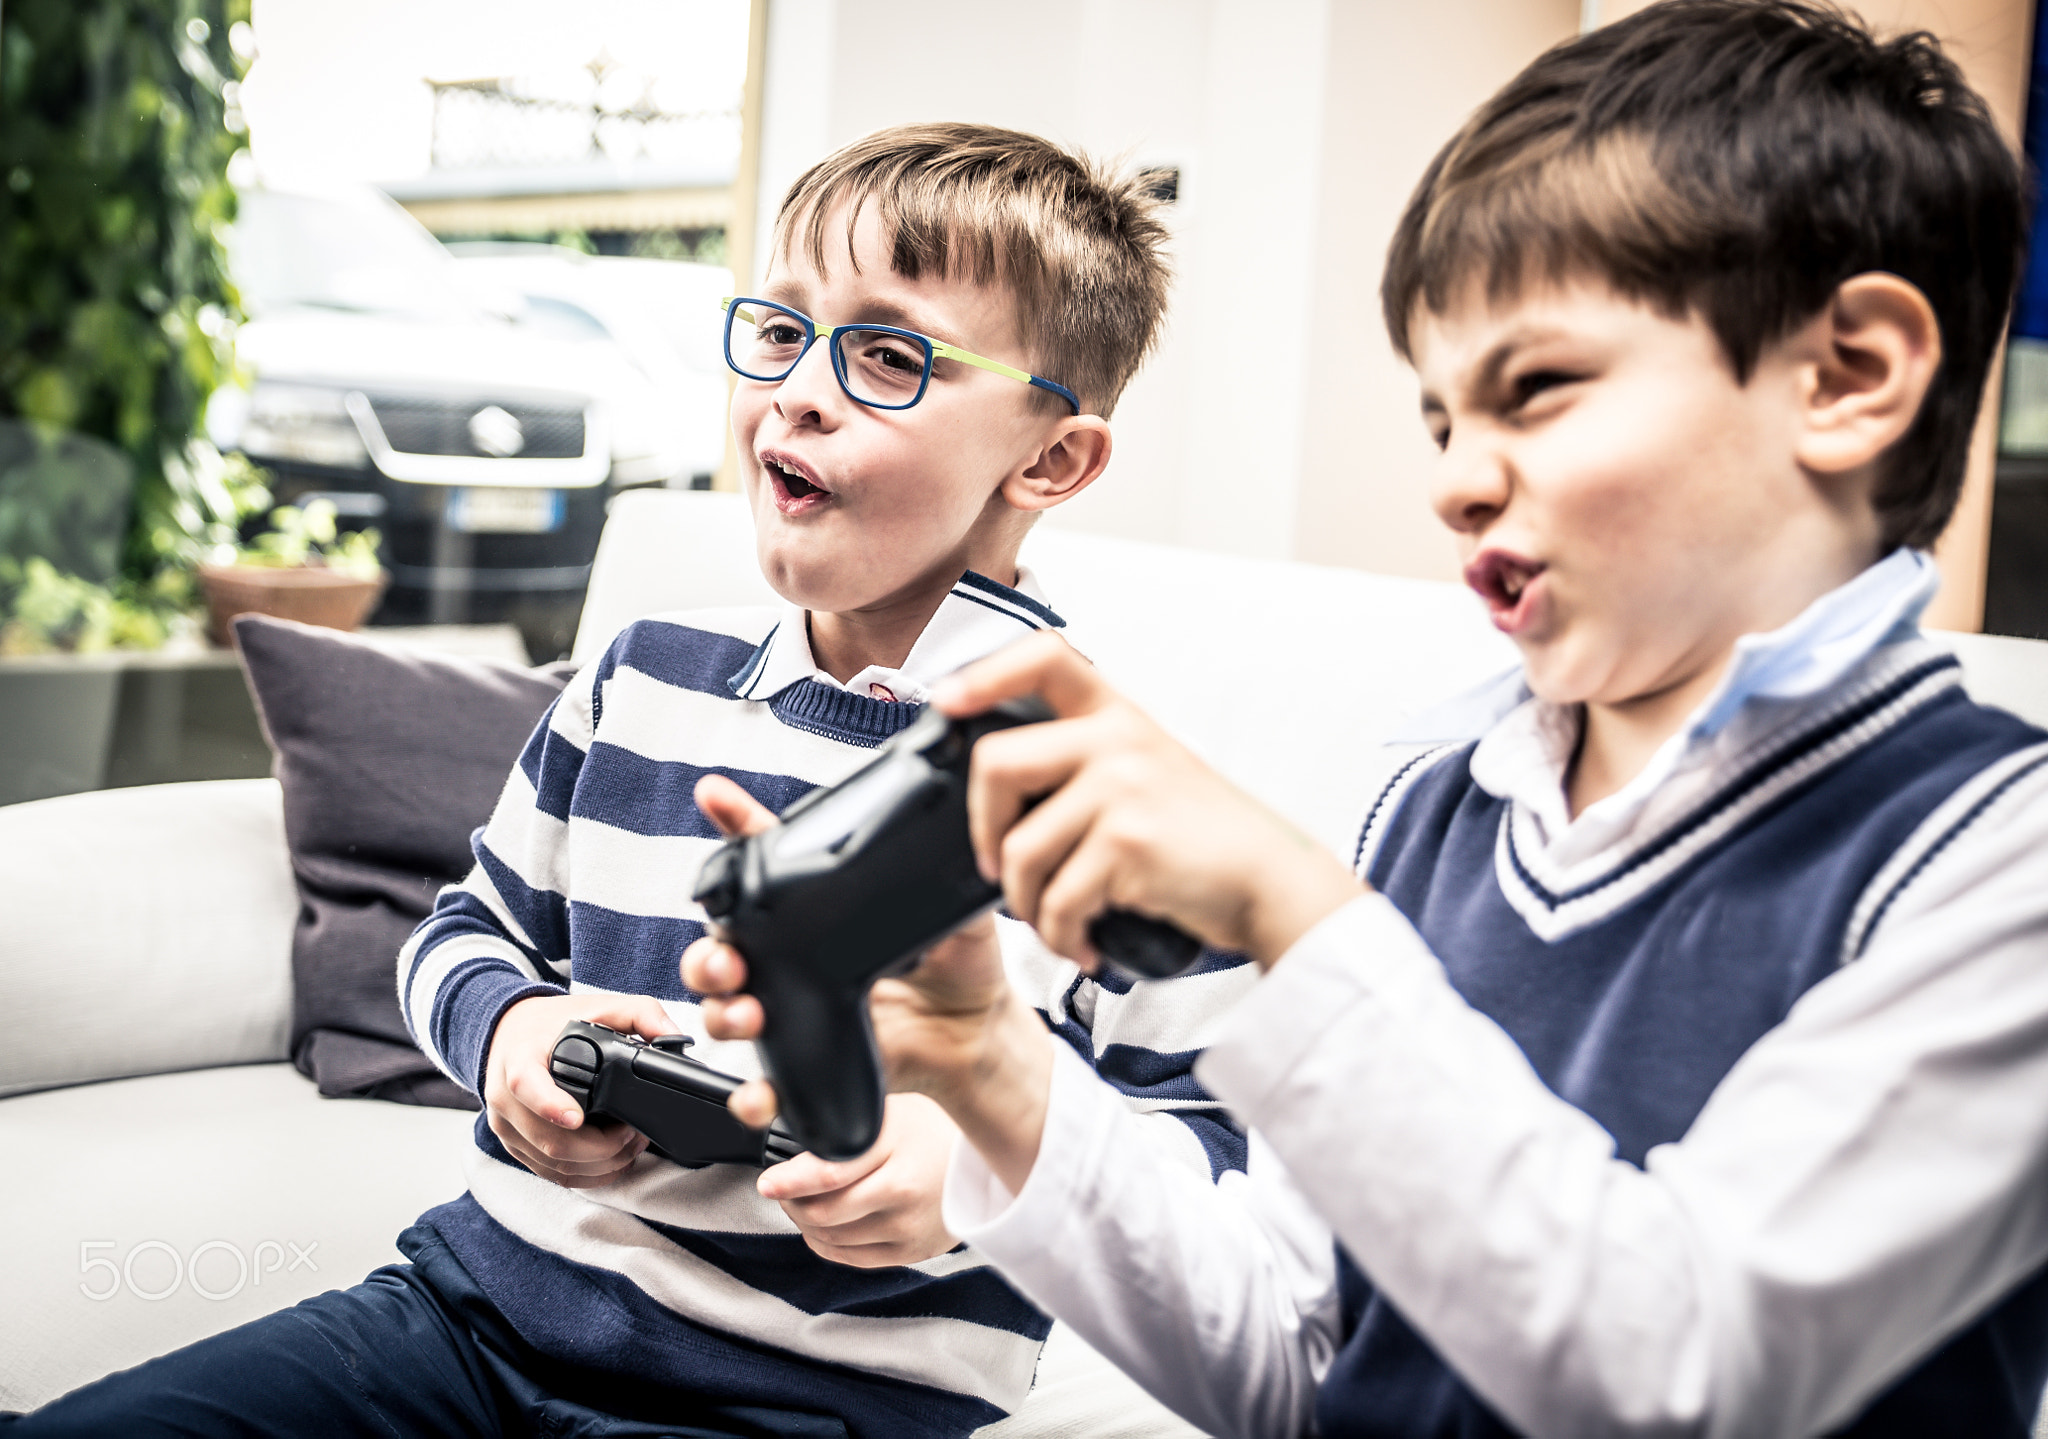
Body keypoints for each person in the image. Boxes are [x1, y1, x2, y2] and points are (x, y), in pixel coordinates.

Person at [686, 5, 2048, 1435]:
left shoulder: (1993, 859)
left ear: (1847, 376)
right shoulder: (1439, 810)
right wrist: (996, 1070)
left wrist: (1300, 910)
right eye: (1444, 419)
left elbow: (1683, 1378)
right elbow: (1292, 1358)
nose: (1458, 481)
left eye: (1536, 390)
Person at [9, 124, 1251, 1438]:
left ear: (1050, 461)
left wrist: (983, 1172)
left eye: (889, 356)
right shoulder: (641, 679)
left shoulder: (1113, 793)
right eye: (780, 331)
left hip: (819, 1412)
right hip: (465, 1320)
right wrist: (512, 1042)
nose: (800, 392)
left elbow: (1213, 1149)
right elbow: (466, 934)